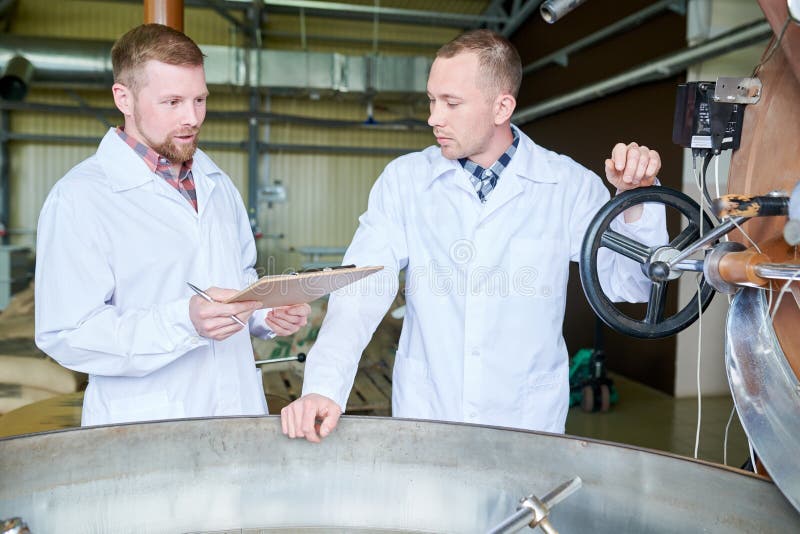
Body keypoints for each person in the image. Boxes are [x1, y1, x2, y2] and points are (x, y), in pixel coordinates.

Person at [280, 29, 667, 441]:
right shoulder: (405, 181)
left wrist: (636, 199)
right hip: (429, 412)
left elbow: (630, 285)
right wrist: (324, 386)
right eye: (432, 100)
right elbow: (360, 289)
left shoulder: (567, 185)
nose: (434, 117)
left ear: (502, 107)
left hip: (526, 419)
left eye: (451, 103)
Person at [34, 24, 310, 426]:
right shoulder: (81, 197)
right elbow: (67, 333)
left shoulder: (215, 182)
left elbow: (238, 276)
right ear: (123, 98)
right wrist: (183, 322)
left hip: (237, 413)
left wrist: (263, 315)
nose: (192, 118)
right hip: (147, 424)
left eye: (200, 99)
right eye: (172, 102)